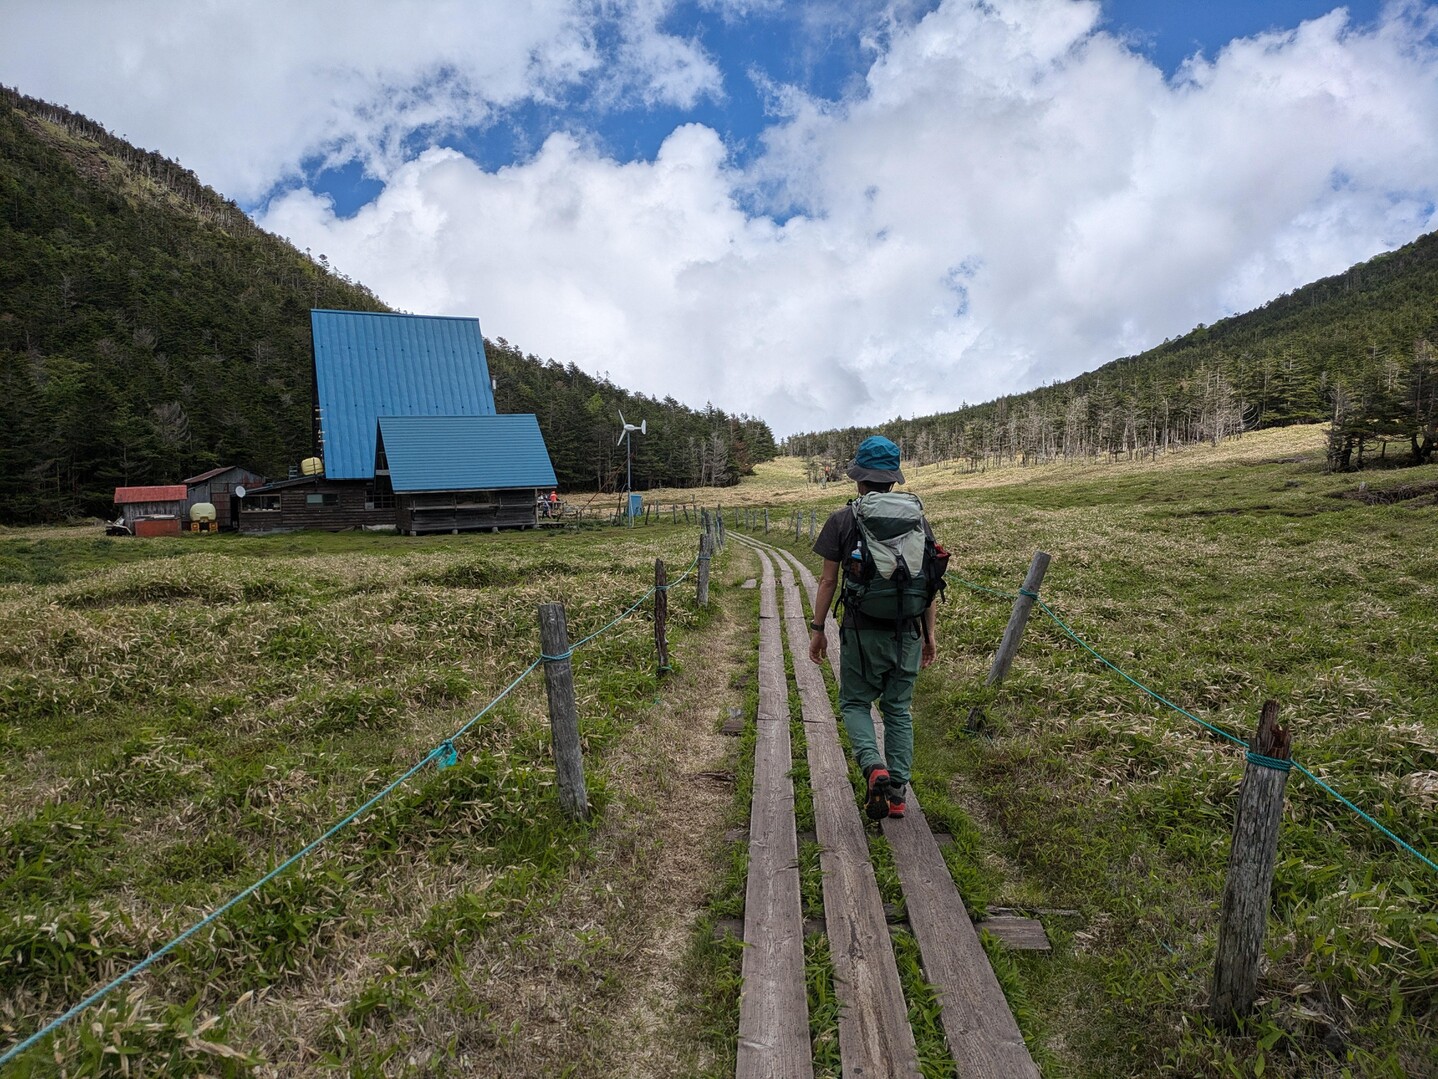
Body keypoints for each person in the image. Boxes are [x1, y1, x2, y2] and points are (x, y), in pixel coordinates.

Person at [808, 435, 939, 821]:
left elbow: (828, 582)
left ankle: (873, 766)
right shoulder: (918, 518)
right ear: (893, 479)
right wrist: (930, 635)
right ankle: (897, 793)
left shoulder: (844, 519)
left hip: (861, 631)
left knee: (854, 702)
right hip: (908, 630)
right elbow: (928, 581)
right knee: (898, 710)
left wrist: (818, 629)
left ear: (859, 479)